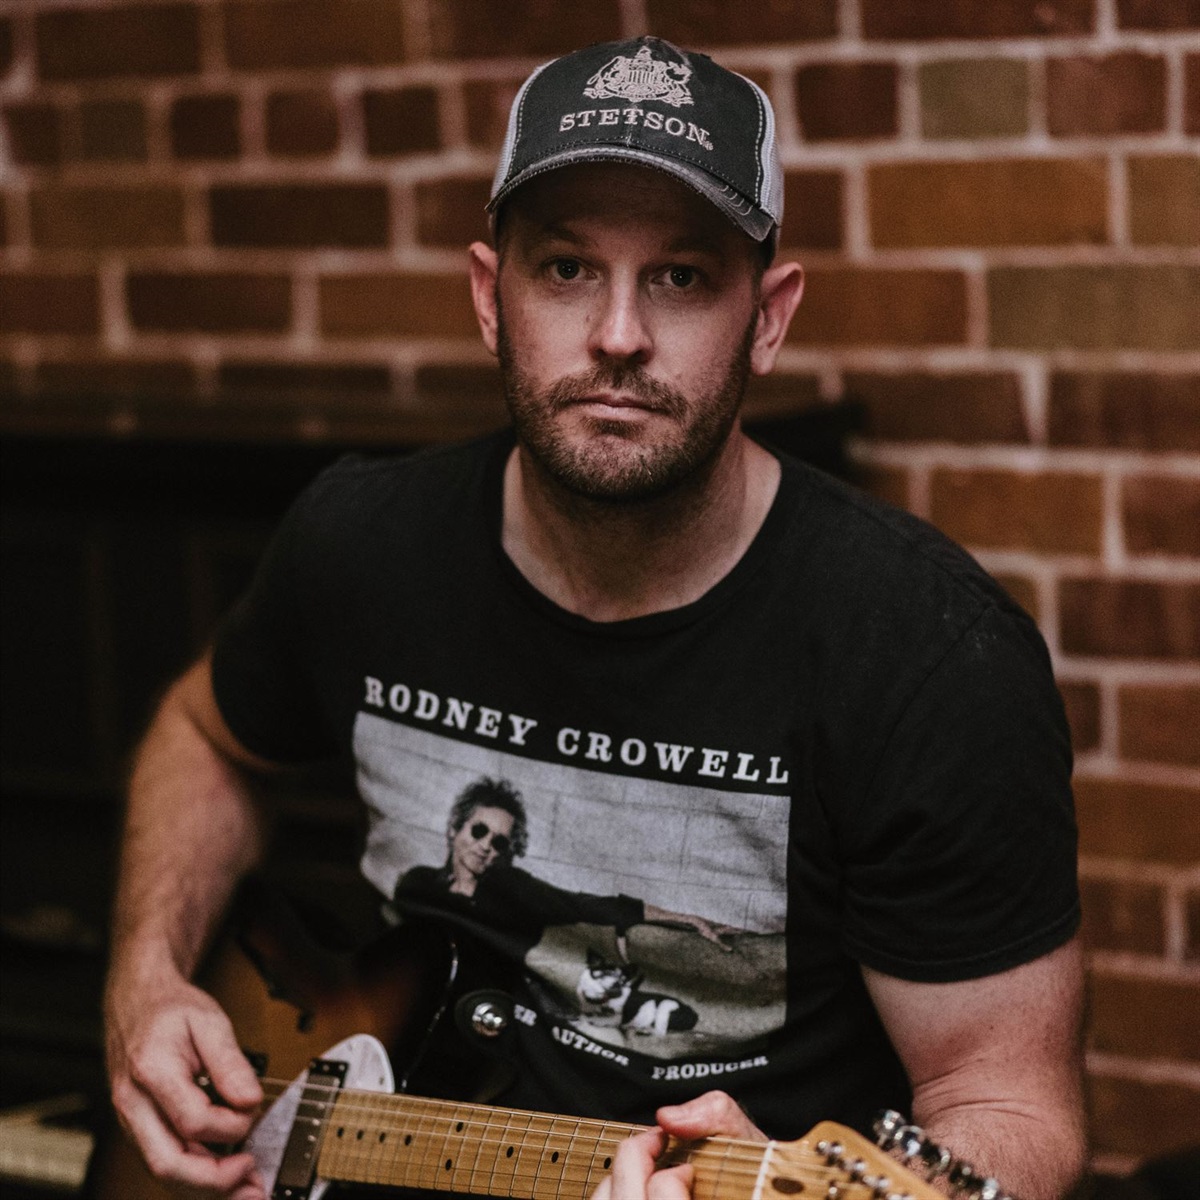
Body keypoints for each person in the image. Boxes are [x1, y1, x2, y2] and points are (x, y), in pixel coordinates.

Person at [103, 35, 1086, 1200]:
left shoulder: (928, 657)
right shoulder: (360, 544)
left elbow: (1013, 1111)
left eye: (680, 277)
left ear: (768, 319)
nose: (618, 334)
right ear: (489, 297)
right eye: (567, 268)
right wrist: (145, 976)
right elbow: (207, 733)